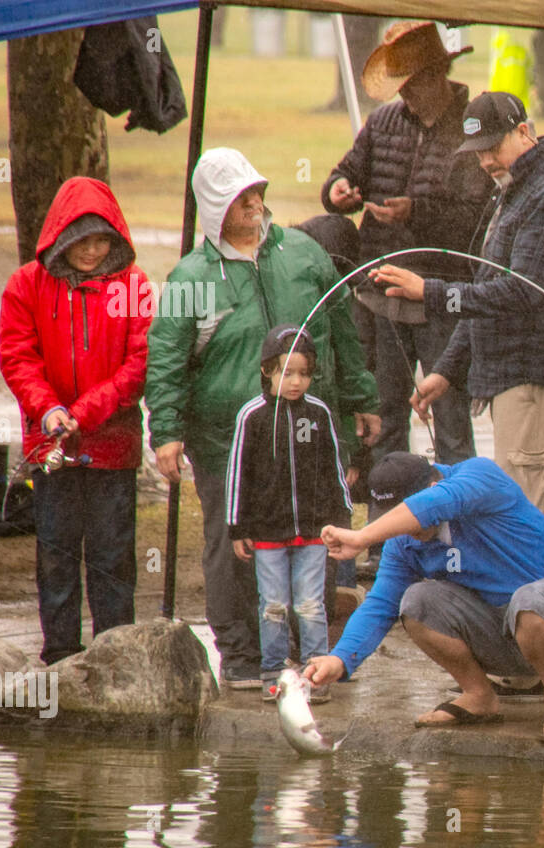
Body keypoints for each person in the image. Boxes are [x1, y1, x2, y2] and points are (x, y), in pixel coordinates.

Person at [146, 147, 379, 689]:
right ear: (213, 207)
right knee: (233, 548)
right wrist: (168, 433)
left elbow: (342, 333)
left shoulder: (305, 255)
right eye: (238, 199)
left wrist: (362, 398)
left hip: (310, 435)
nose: (253, 206)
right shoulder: (190, 278)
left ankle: (310, 655)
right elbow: (167, 360)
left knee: (313, 539)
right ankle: (246, 659)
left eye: (256, 194)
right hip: (226, 440)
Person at [373, 91, 544, 554]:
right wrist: (447, 370)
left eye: (494, 148)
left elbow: (521, 294)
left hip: (537, 381)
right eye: (478, 153)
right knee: (535, 515)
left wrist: (428, 292)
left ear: (523, 131)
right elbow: (489, 287)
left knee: (532, 522)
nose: (487, 161)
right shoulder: (518, 187)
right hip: (517, 383)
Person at [307, 452, 544, 743]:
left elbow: (432, 505)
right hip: (500, 639)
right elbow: (381, 604)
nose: (406, 531)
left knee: (532, 598)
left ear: (432, 488)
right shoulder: (403, 541)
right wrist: (340, 658)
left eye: (407, 518)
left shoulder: (480, 476)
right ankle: (478, 696)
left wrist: (362, 538)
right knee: (416, 600)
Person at [320, 20, 492, 470]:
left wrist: (414, 213)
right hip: (379, 297)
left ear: (438, 75)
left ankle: (458, 525)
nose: (403, 95)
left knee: (451, 424)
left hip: (441, 298)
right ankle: (388, 528)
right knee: (385, 418)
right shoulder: (382, 123)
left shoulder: (474, 128)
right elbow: (346, 172)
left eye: (410, 85)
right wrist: (338, 189)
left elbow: (476, 221)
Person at [0, 177, 150, 665]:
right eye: (81, 240)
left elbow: (141, 363)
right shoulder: (26, 284)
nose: (91, 250)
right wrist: (48, 409)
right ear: (62, 237)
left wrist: (82, 412)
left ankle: (114, 653)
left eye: (101, 240)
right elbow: (17, 356)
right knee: (57, 554)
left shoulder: (135, 285)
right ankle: (60, 653)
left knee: (112, 555)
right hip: (51, 449)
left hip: (113, 446)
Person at [225, 325, 352, 703]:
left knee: (311, 603)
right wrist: (237, 527)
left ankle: (315, 672)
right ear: (267, 371)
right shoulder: (252, 416)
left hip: (314, 530)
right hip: (266, 533)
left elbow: (334, 468)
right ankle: (275, 671)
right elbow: (237, 474)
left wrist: (341, 520)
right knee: (274, 604)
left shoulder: (319, 413)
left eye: (304, 373)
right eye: (287, 372)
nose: (296, 382)